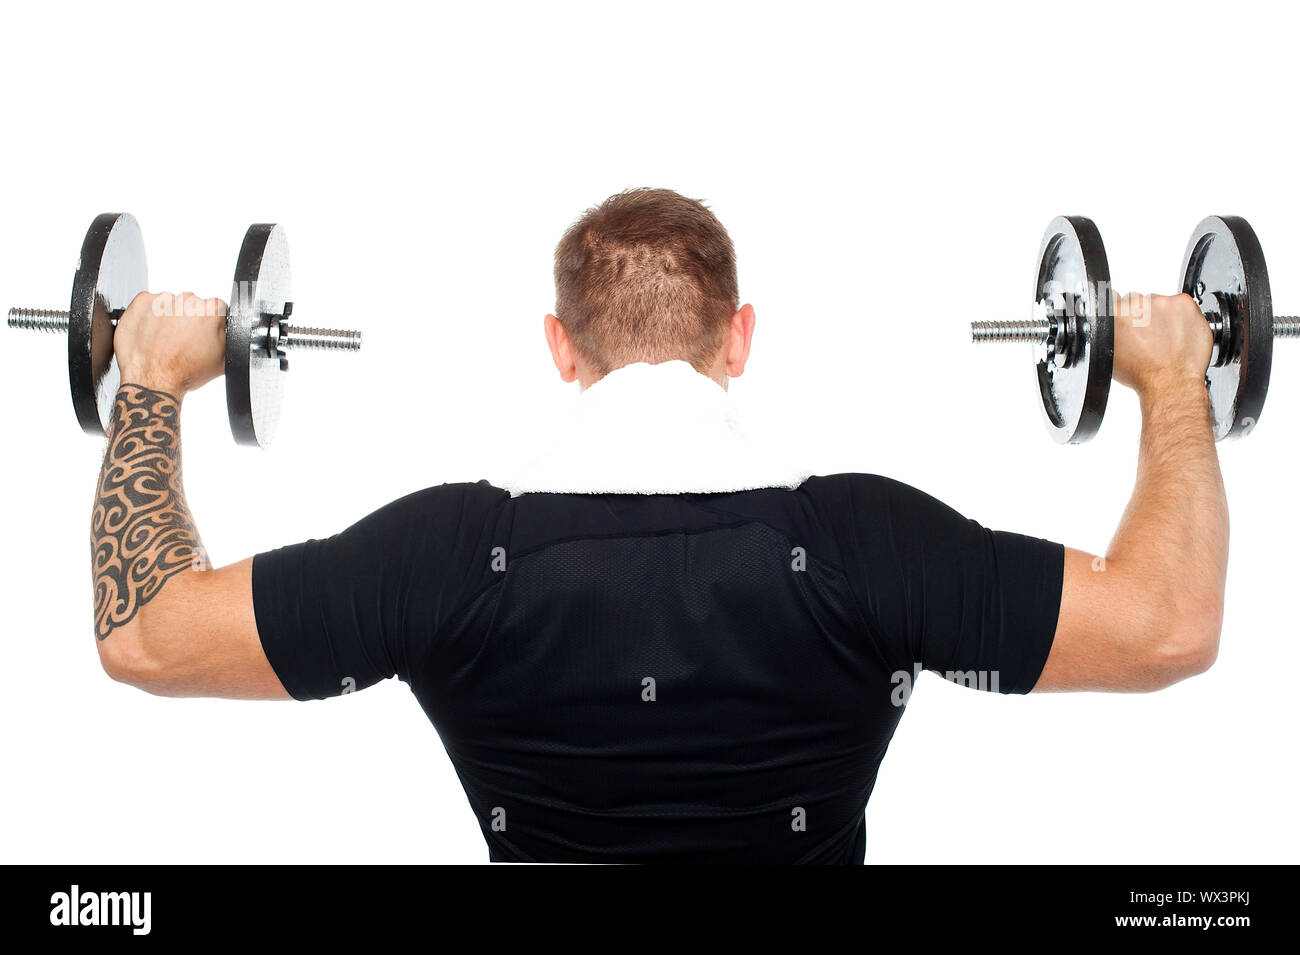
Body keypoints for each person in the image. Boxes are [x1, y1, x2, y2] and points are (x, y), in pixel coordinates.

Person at [90, 188, 1224, 863]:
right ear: (738, 338)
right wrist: (1173, 381)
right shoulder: (868, 546)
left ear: (559, 347)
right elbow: (1166, 625)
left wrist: (147, 377)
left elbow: (146, 635)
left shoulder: (443, 561)